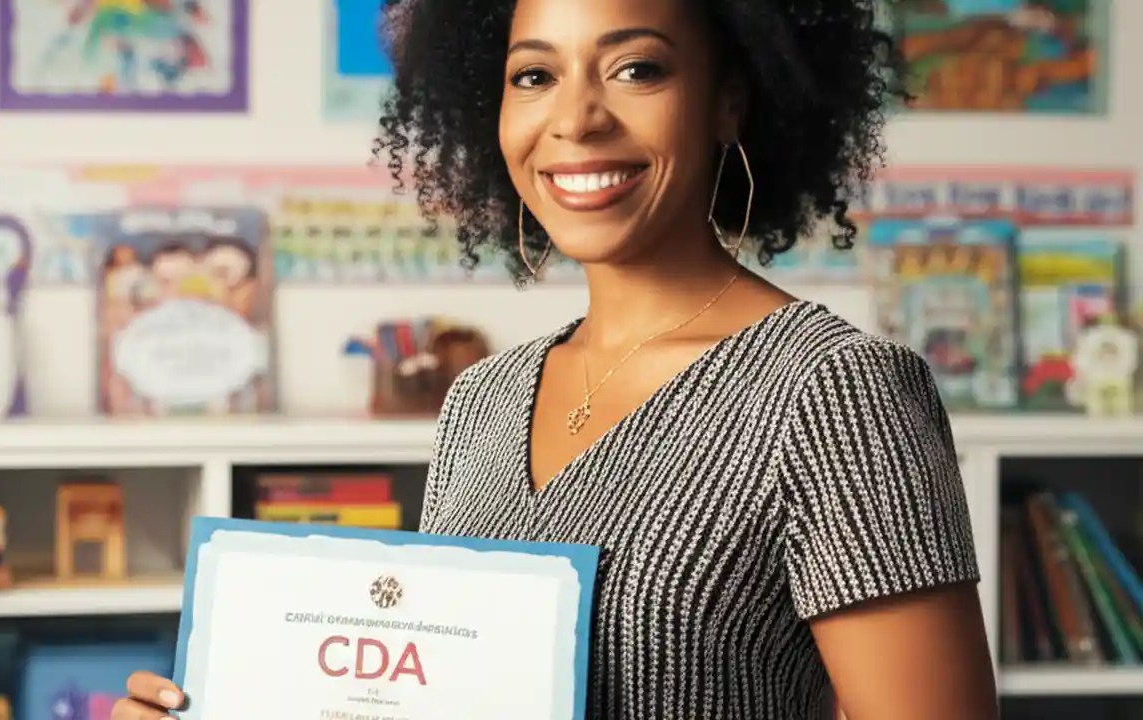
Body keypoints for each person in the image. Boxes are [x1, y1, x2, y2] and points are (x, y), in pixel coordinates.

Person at [113, 0, 998, 717]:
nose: (576, 118)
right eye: (534, 76)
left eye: (637, 68)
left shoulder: (834, 391)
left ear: (730, 100)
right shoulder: (481, 398)